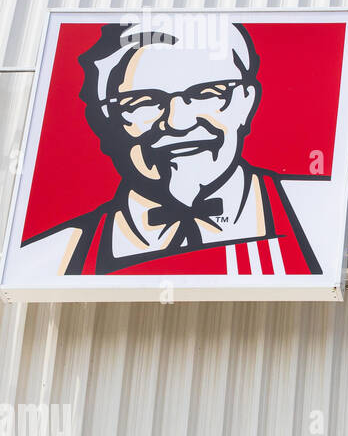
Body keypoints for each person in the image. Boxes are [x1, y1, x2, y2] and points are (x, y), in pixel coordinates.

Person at [22, 21, 320, 276]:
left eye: (207, 93)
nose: (178, 122)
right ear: (107, 119)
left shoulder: (315, 218)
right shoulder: (53, 258)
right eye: (144, 102)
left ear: (246, 102)